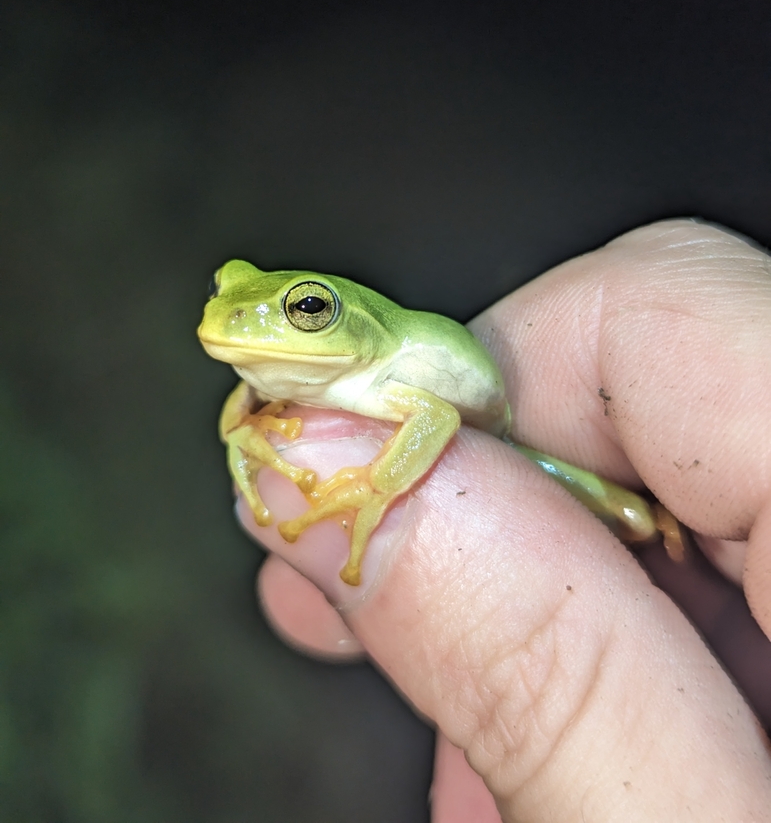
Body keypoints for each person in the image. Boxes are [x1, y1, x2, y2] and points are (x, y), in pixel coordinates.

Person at [238, 220, 771, 822]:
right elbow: (247, 397)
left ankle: (655, 520)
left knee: (632, 517)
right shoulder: (289, 371)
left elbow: (435, 417)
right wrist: (241, 433)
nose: (229, 313)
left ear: (341, 319)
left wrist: (375, 485)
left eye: (306, 308)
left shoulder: (382, 374)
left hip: (501, 442)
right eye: (222, 289)